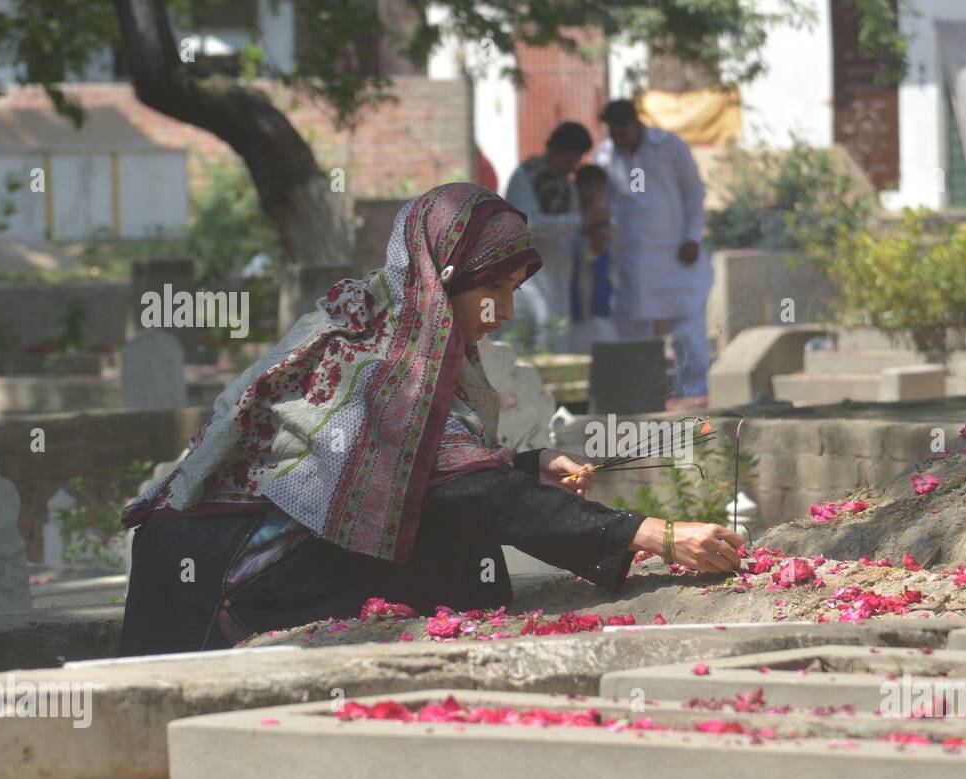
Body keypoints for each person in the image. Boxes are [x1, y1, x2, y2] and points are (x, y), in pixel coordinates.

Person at [117, 183, 743, 655]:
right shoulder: (382, 352)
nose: (504, 311)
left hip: (250, 552)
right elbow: (465, 490)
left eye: (514, 289)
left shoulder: (415, 328)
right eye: (491, 289)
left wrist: (528, 466)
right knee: (457, 542)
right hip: (219, 567)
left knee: (460, 540)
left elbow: (425, 471)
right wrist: (652, 534)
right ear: (444, 277)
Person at [594, 98, 713, 405]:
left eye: (623, 130)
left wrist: (692, 237)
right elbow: (601, 202)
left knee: (687, 326)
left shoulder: (670, 146)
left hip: (677, 254)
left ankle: (695, 391)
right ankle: (641, 395)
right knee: (634, 329)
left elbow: (694, 192)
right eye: (613, 132)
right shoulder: (605, 157)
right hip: (633, 259)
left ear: (635, 123)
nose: (619, 138)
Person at [503, 122, 611, 351]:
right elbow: (528, 224)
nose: (572, 165)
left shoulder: (566, 186)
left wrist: (591, 242)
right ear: (554, 149)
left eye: (576, 159)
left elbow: (571, 236)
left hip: (560, 280)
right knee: (528, 345)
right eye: (568, 158)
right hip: (529, 281)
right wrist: (581, 221)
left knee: (557, 345)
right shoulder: (525, 176)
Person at [567, 163, 618, 354]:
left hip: (601, 293)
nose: (592, 193)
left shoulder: (605, 216)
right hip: (573, 290)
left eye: (598, 188)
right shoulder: (570, 218)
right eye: (587, 187)